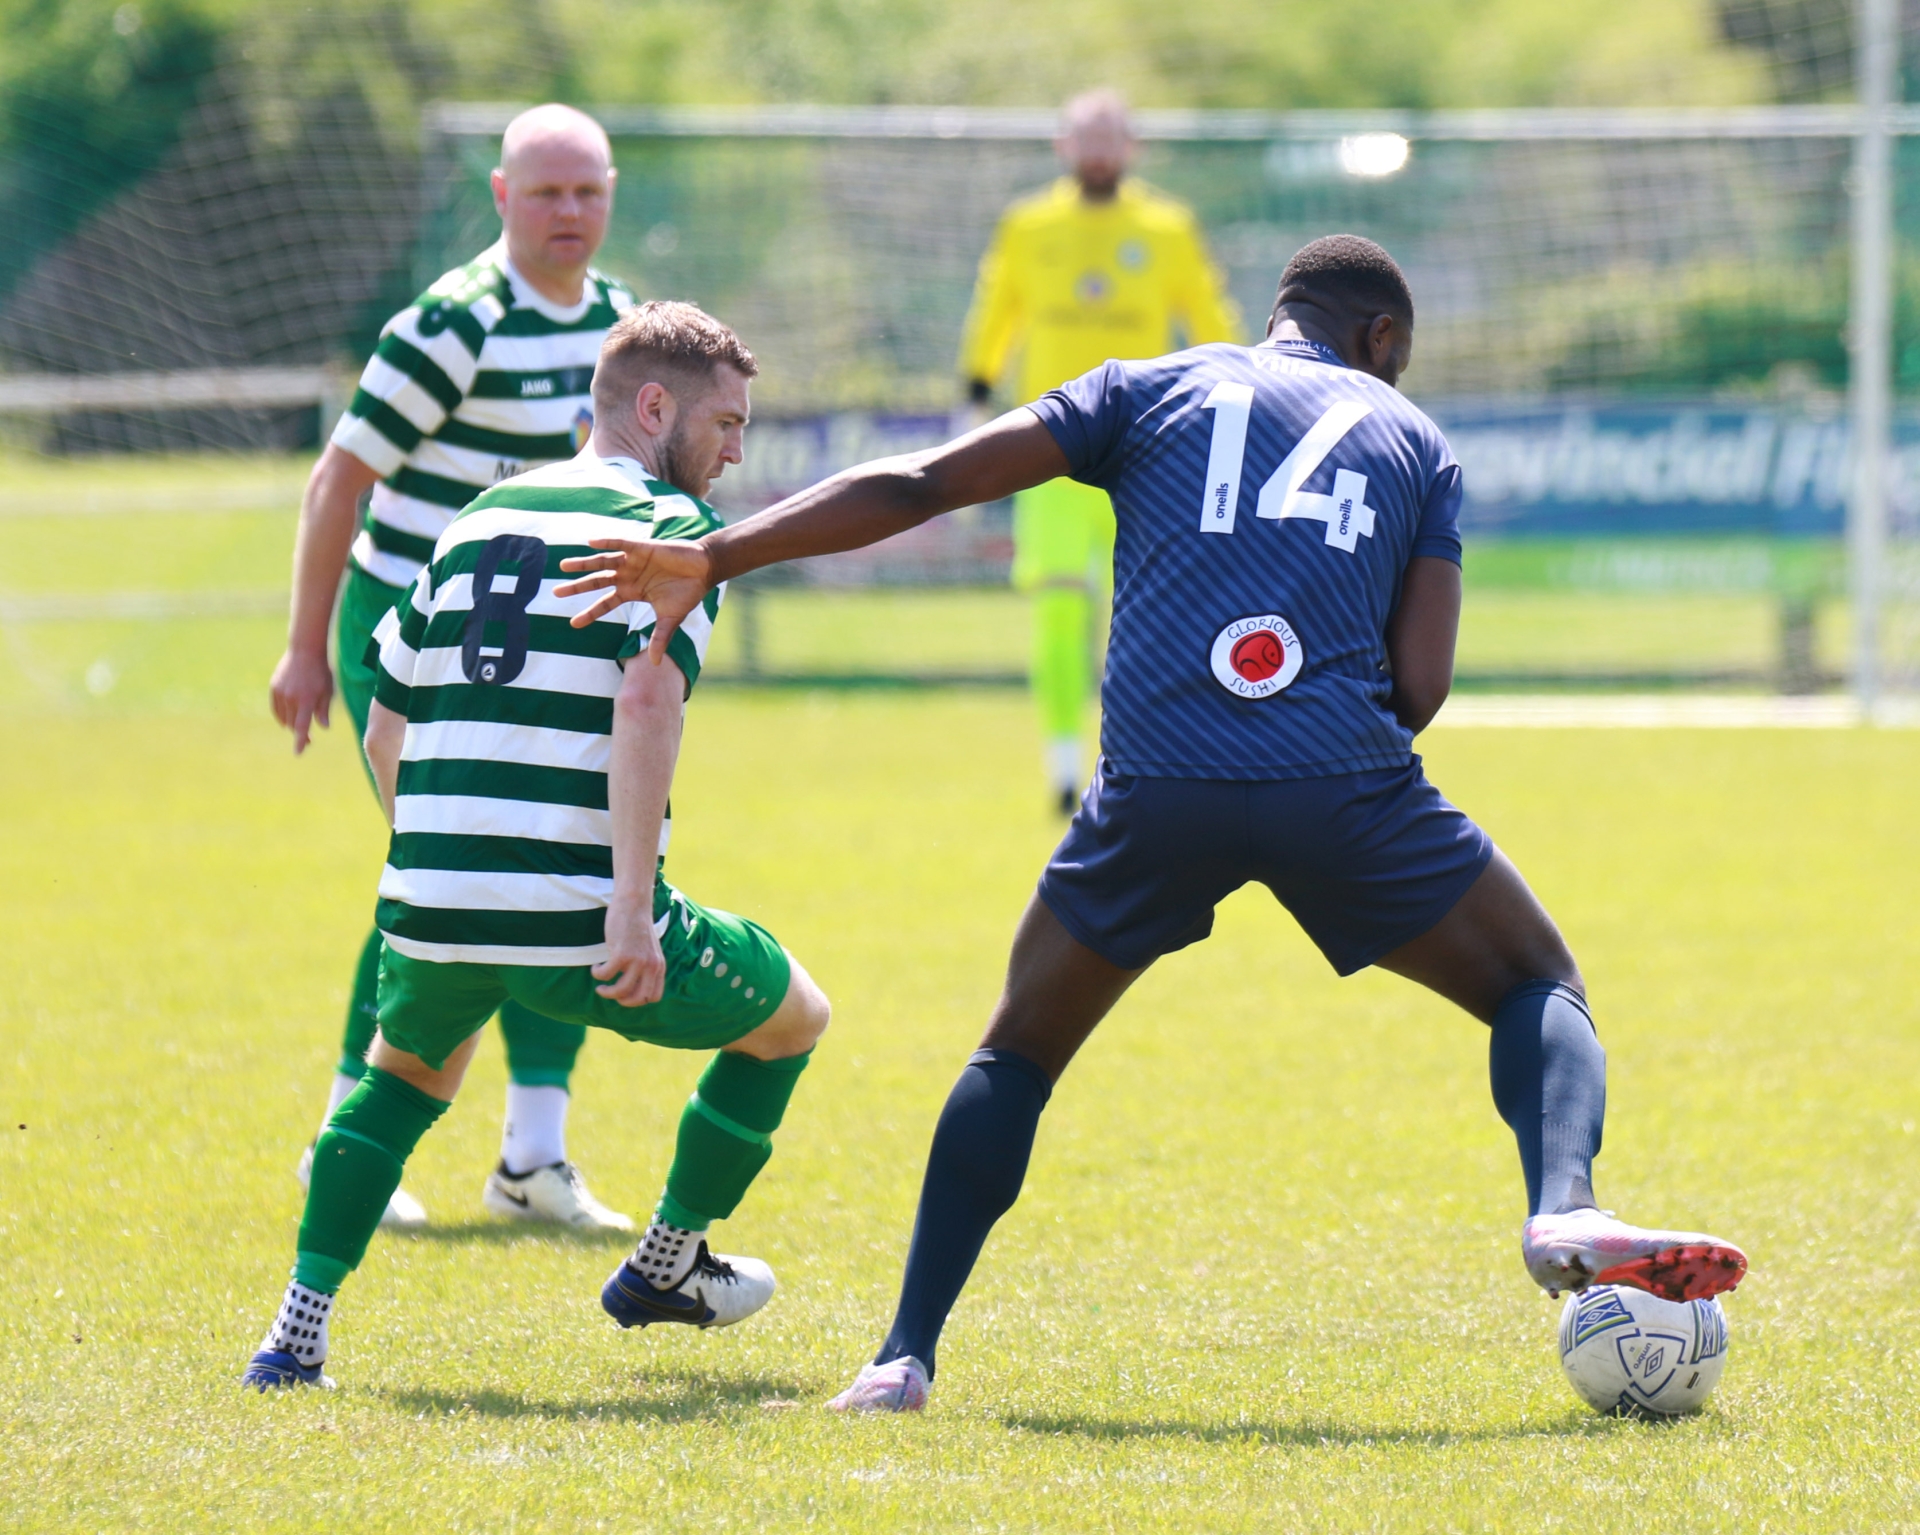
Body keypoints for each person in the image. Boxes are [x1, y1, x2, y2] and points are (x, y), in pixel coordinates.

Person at [553, 236, 1750, 1415]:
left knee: (1016, 1051)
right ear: (1381, 342)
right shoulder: (1414, 439)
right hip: (1340, 780)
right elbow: (1421, 686)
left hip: (1156, 784)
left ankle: (902, 1357)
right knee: (1537, 980)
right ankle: (1565, 1200)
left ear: (1276, 312)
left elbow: (922, 484)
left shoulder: (1145, 387)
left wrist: (717, 553)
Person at [242, 301, 831, 1390]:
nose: (739, 446)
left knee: (399, 1079)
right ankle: (667, 1262)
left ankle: (294, 1337)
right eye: (728, 420)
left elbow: (384, 712)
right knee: (795, 1018)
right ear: (655, 407)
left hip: (428, 899)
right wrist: (626, 911)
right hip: (580, 918)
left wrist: (434, 853)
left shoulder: (474, 518)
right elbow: (647, 704)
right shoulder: (670, 533)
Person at [268, 104, 638, 1228]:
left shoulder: (625, 331)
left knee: (563, 869)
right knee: (451, 877)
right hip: (417, 634)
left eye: (587, 190)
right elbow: (340, 479)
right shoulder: (452, 324)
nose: (569, 212)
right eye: (546, 192)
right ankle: (349, 1131)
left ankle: (533, 1159)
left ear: (611, 192)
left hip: (555, 644)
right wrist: (305, 644)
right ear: (500, 195)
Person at [959, 88, 1238, 813]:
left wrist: (1244, 387)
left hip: (1146, 450)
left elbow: (1206, 314)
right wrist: (976, 389)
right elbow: (997, 309)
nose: (1099, 150)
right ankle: (1060, 767)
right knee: (1058, 606)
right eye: (1087, 137)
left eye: (1112, 137)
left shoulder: (1167, 228)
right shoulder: (1028, 225)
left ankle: (1145, 758)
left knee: (1149, 611)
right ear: (1063, 146)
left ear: (1133, 148)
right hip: (1046, 447)